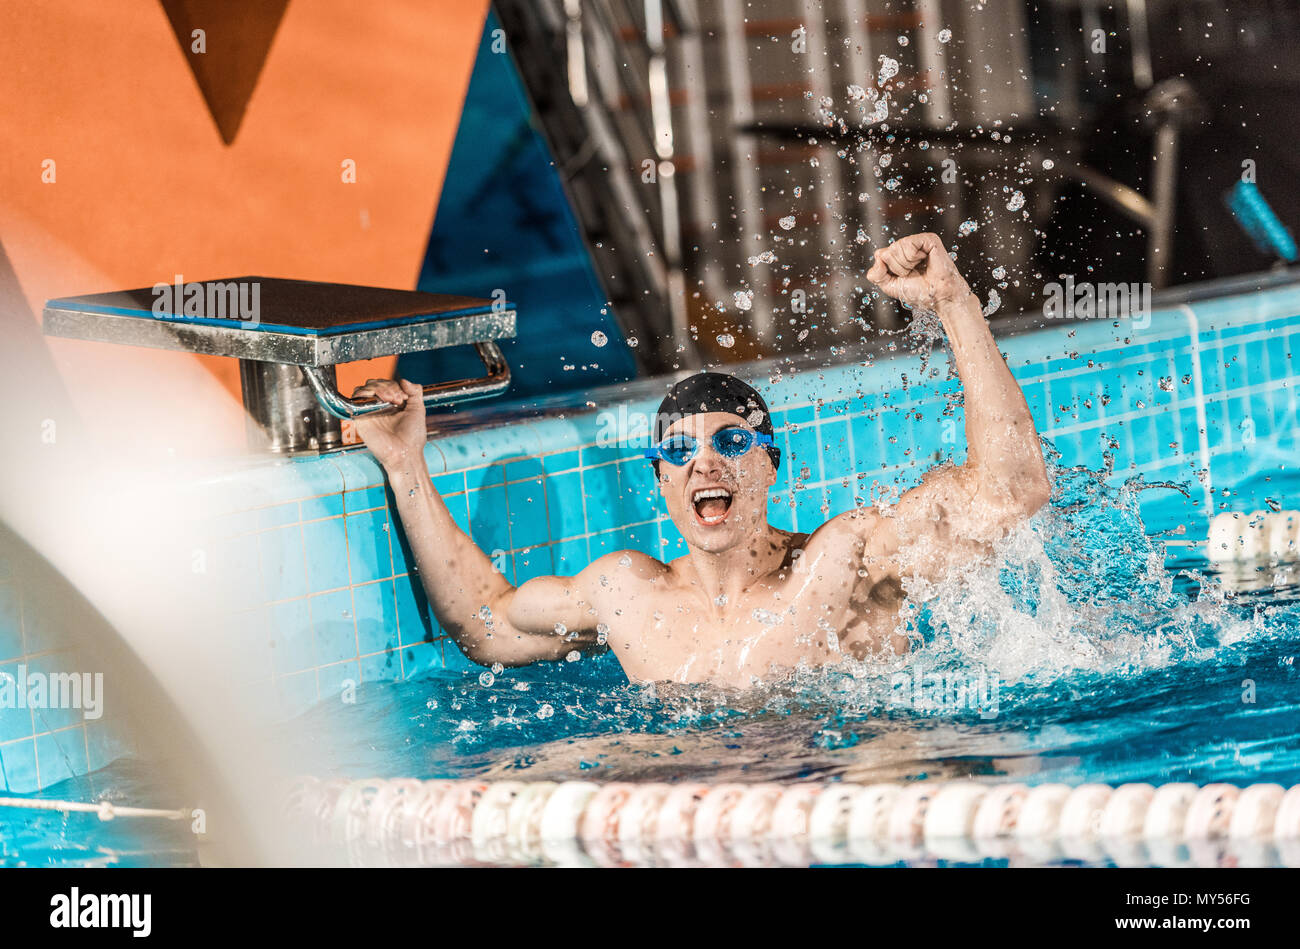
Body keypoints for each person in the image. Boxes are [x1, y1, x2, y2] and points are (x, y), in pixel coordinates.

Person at [353, 233, 1051, 686]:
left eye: (733, 441)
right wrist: (405, 463)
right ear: (660, 479)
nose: (706, 463)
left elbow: (1011, 492)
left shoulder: (843, 563)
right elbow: (487, 624)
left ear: (771, 465)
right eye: (680, 450)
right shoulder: (626, 596)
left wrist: (954, 303)